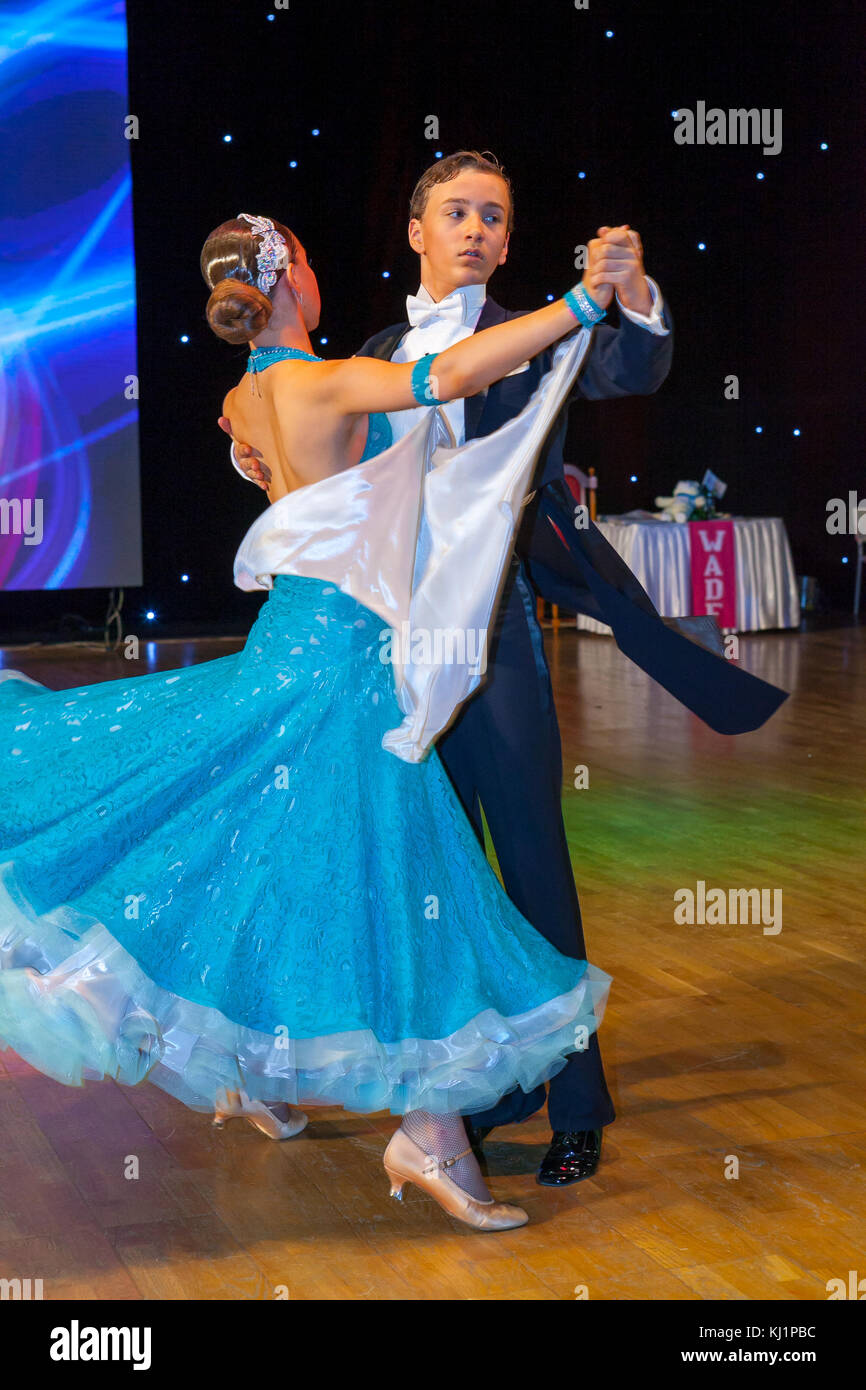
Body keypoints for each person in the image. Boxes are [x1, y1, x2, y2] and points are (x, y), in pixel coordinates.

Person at [0, 211, 614, 1234]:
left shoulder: (246, 395)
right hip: (340, 665)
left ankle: (275, 1080)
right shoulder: (318, 381)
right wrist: (580, 304)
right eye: (314, 256)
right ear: (290, 278)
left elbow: (318, 475)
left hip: (297, 642)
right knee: (397, 875)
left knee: (281, 858)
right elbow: (452, 377)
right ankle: (430, 1134)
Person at [226, 152, 787, 1188]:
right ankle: (461, 1100)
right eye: (456, 211)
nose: (476, 228)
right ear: (416, 231)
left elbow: (627, 369)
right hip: (380, 650)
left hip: (491, 643)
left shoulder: (538, 335)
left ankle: (573, 1101)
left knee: (530, 869)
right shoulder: (378, 350)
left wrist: (628, 296)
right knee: (426, 878)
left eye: (494, 215)